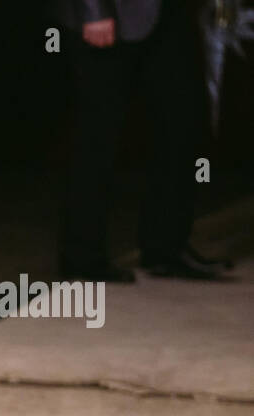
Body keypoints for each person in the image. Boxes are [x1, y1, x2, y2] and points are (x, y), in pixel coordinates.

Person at [57, 0, 233, 282]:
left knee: (181, 124)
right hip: (108, 13)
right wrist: (94, 12)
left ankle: (166, 248)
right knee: (98, 135)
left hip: (169, 12)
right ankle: (82, 256)